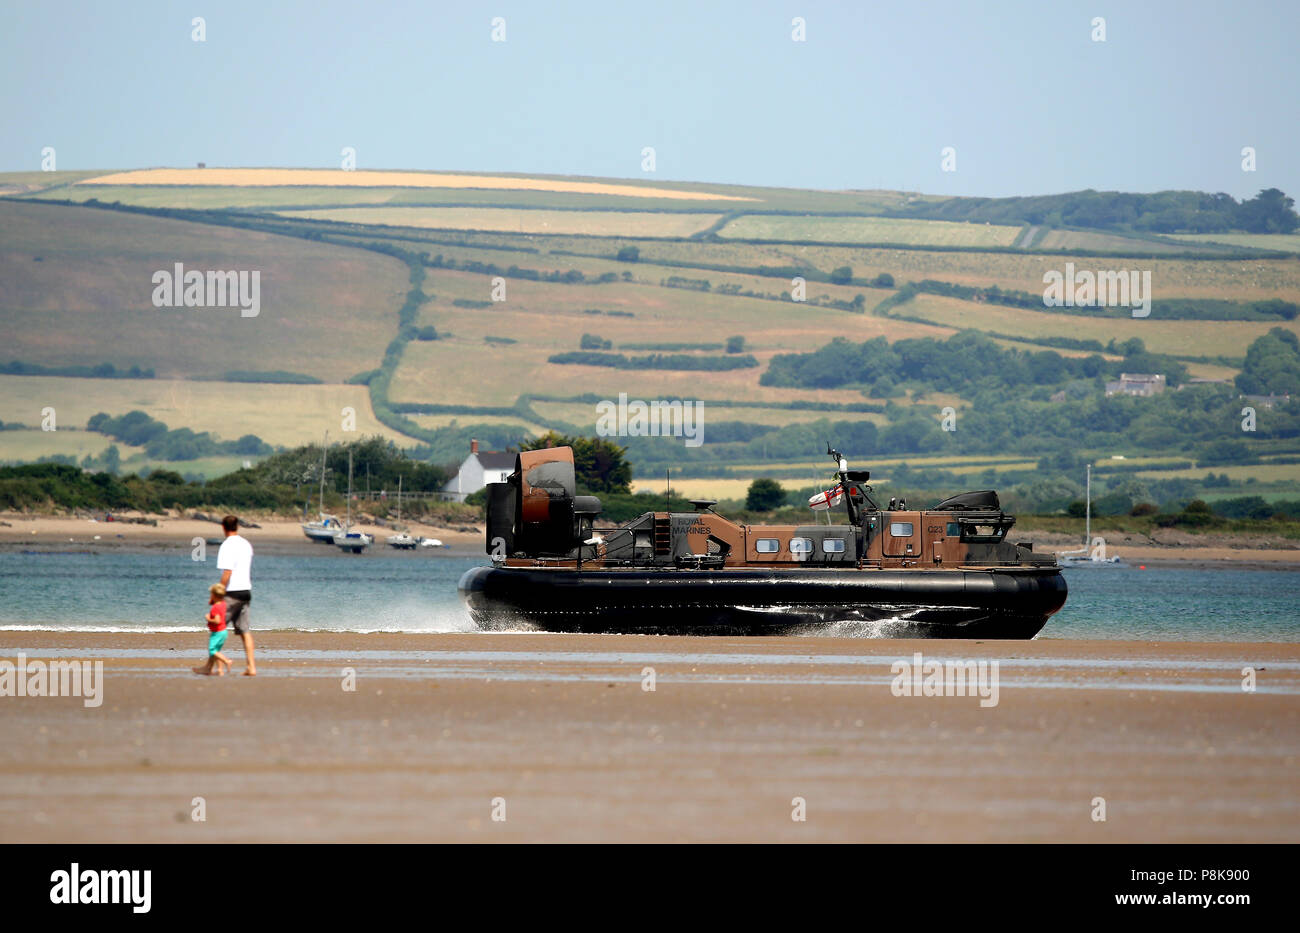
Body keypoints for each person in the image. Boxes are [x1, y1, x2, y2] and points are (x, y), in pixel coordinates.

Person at [216, 514, 257, 676]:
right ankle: (251, 667)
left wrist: (218, 593)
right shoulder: (246, 544)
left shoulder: (227, 545)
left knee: (217, 629)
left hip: (231, 593)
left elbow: (227, 573)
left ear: (223, 527)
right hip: (246, 591)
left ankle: (217, 668)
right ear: (238, 526)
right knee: (245, 631)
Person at [193, 583, 232, 676]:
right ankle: (219, 670)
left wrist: (208, 618)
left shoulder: (215, 607)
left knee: (212, 650)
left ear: (214, 595)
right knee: (216, 651)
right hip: (223, 631)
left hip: (217, 632)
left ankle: (227, 661)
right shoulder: (223, 604)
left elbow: (217, 620)